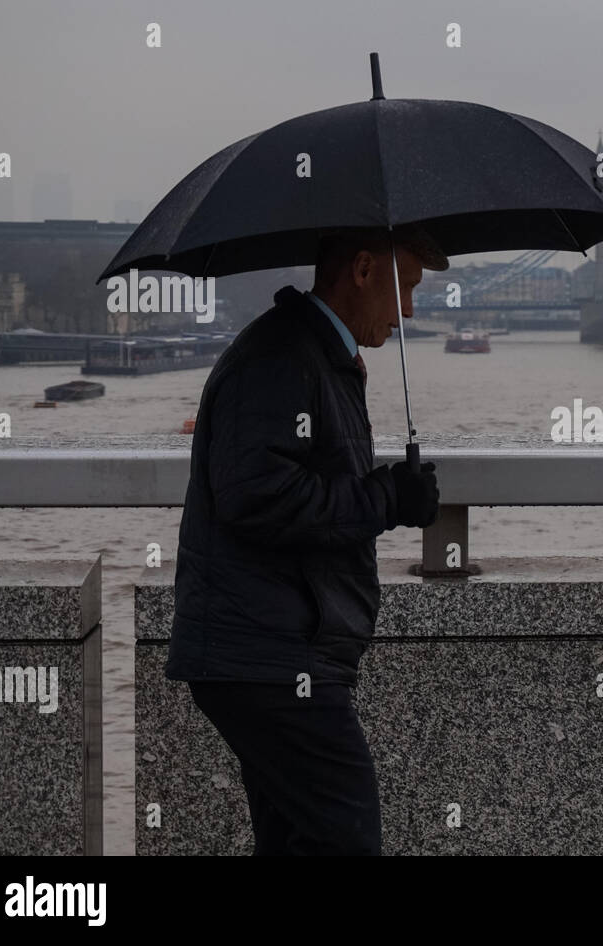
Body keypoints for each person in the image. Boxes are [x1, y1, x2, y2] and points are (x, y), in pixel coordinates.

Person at [165, 224, 447, 855]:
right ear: (365, 269)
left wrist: (388, 493)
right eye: (408, 287)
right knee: (347, 839)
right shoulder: (281, 358)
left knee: (297, 844)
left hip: (276, 649)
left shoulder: (318, 355)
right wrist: (386, 498)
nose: (409, 311)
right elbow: (255, 495)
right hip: (272, 655)